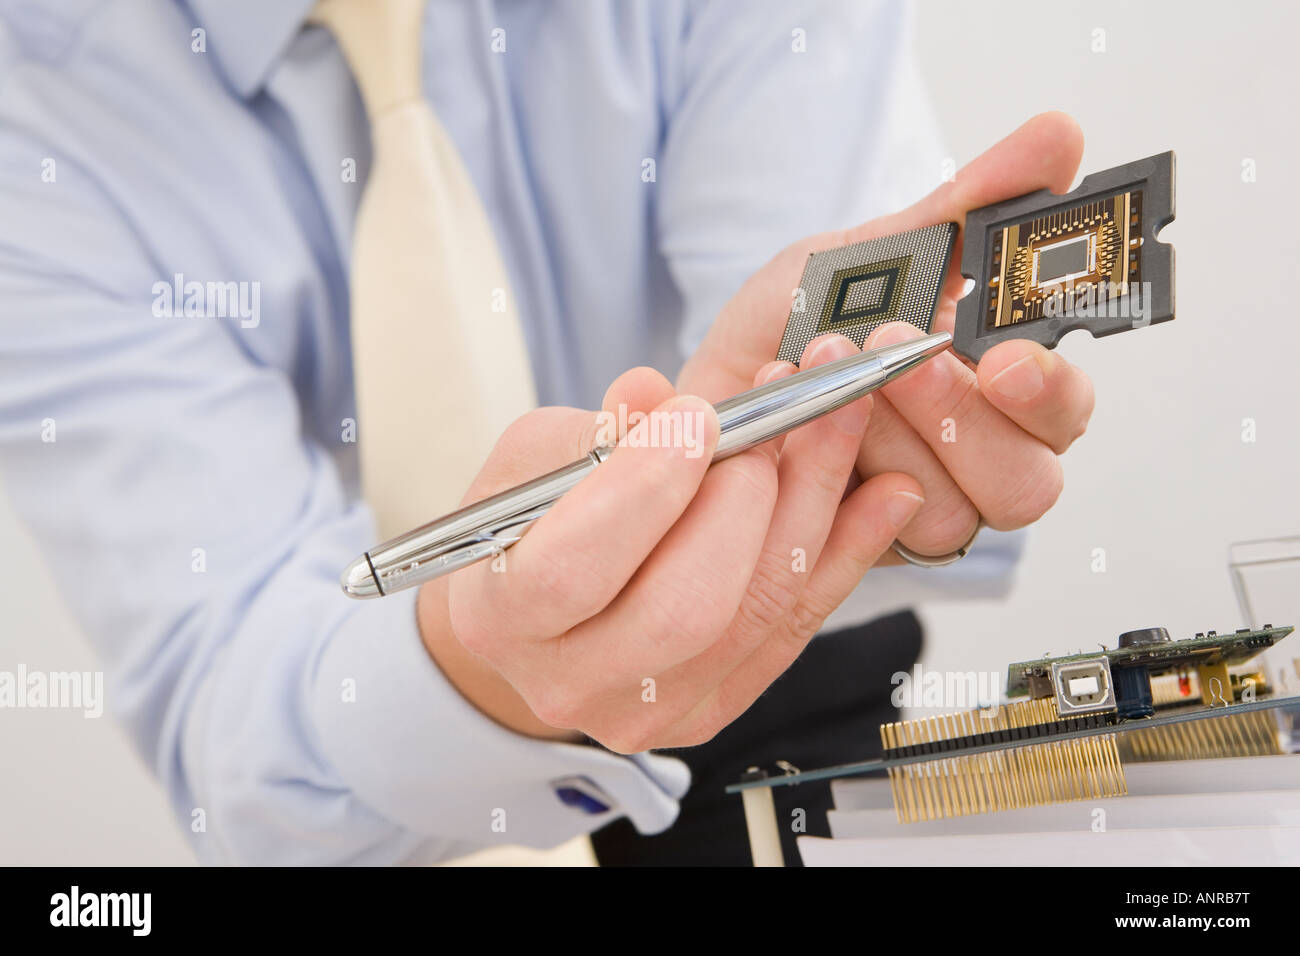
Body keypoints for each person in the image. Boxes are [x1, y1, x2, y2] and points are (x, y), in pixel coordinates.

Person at [0, 0, 1093, 865]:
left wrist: (877, 456)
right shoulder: (35, 119)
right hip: (382, 813)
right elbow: (234, 728)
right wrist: (470, 660)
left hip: (782, 718)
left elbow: (860, 386)